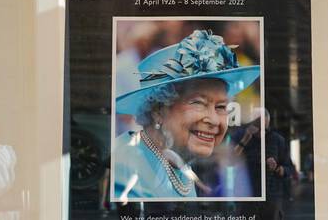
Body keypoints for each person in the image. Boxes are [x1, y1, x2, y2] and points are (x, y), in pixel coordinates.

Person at [111, 28, 261, 202]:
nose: (213, 120)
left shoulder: (178, 162)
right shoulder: (126, 168)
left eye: (221, 107)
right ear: (158, 110)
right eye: (198, 103)